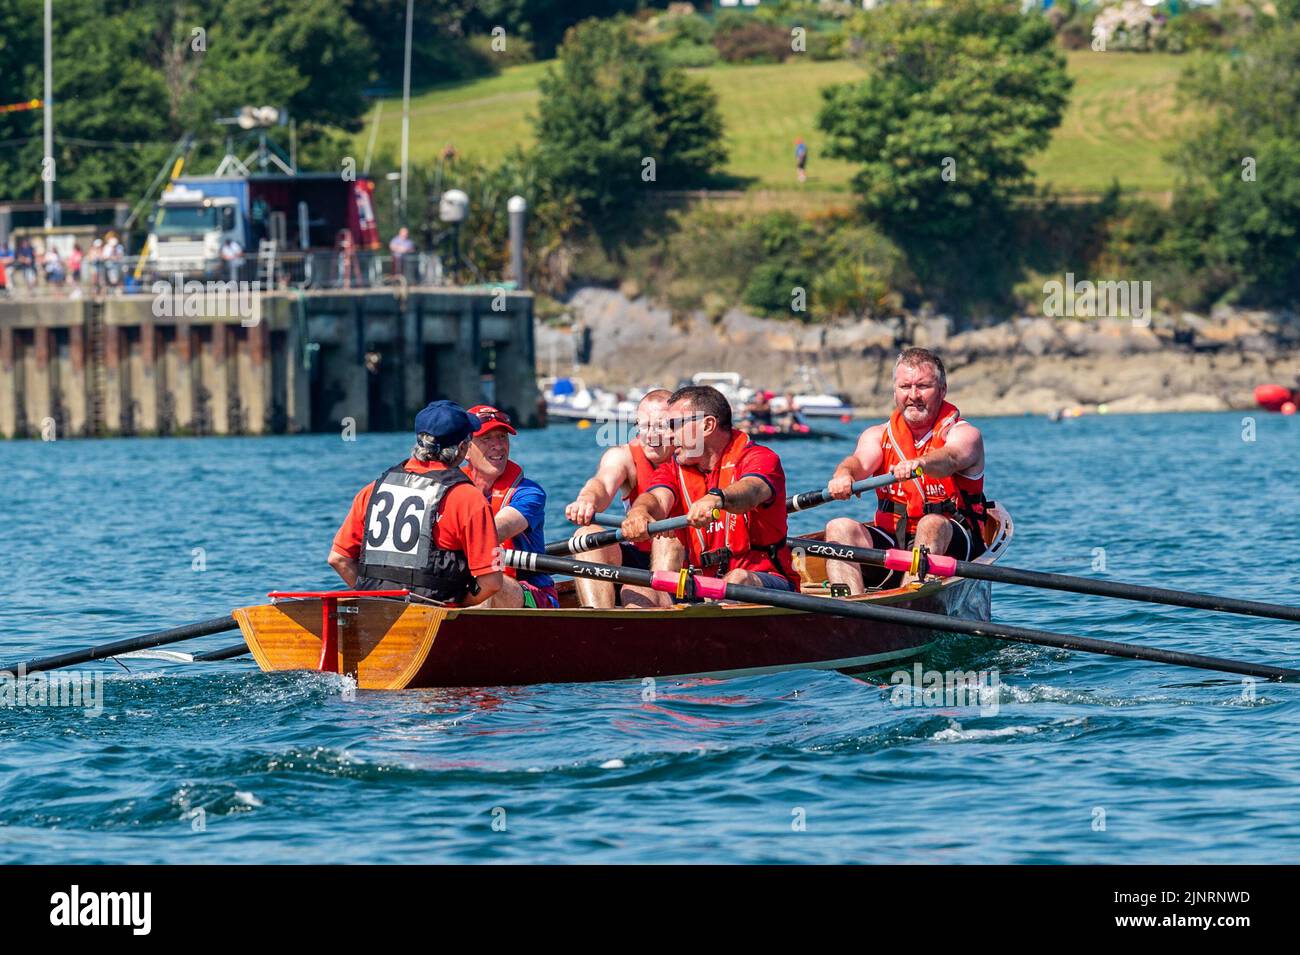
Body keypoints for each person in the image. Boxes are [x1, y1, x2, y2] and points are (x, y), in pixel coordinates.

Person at [822, 347, 988, 593]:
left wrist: (921, 464)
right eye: (905, 387)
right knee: (838, 527)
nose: (913, 395)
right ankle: (848, 611)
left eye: (923, 386)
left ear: (942, 390)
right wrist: (843, 475)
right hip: (894, 543)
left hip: (954, 543)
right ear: (894, 392)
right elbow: (858, 462)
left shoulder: (964, 434)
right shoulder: (877, 435)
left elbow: (951, 458)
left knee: (931, 523)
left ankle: (911, 600)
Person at [622, 385, 799, 599]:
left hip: (767, 580)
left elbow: (752, 490)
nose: (668, 435)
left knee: (738, 579)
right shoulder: (674, 468)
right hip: (702, 584)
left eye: (673, 425)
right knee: (635, 590)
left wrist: (717, 498)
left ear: (707, 425)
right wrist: (639, 512)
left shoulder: (760, 458)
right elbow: (657, 498)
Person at [328, 400, 503, 606]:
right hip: (433, 620)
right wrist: (456, 605)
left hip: (374, 614)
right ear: (463, 447)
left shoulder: (372, 490)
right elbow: (491, 583)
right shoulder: (468, 499)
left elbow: (338, 559)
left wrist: (374, 600)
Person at [564, 389, 680, 608]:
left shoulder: (692, 456)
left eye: (662, 426)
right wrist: (586, 500)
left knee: (667, 537)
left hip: (681, 557)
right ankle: (598, 618)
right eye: (644, 426)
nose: (651, 435)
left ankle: (667, 608)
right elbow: (602, 483)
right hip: (637, 557)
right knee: (587, 535)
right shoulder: (623, 456)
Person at [462, 404, 559, 608]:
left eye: (502, 437)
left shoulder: (529, 493)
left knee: (487, 582)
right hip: (476, 586)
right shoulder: (451, 489)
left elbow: (496, 530)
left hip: (533, 595)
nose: (498, 446)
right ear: (465, 449)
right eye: (487, 439)